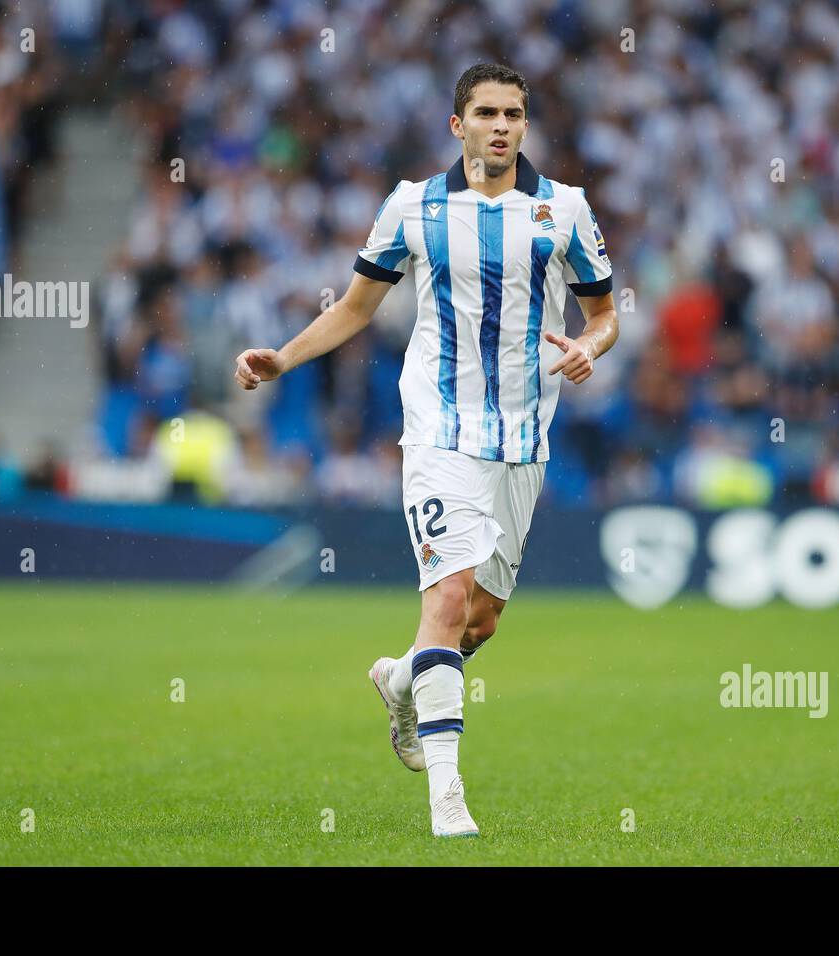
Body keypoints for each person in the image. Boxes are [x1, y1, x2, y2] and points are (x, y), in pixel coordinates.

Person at [234, 63, 617, 837]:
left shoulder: (564, 209)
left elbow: (605, 313)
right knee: (444, 600)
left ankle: (403, 680)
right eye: (486, 112)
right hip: (439, 426)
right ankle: (448, 794)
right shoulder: (415, 206)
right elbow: (354, 308)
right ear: (458, 125)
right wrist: (284, 357)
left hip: (522, 437)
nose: (502, 125)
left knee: (479, 624)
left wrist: (589, 347)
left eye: (513, 113)